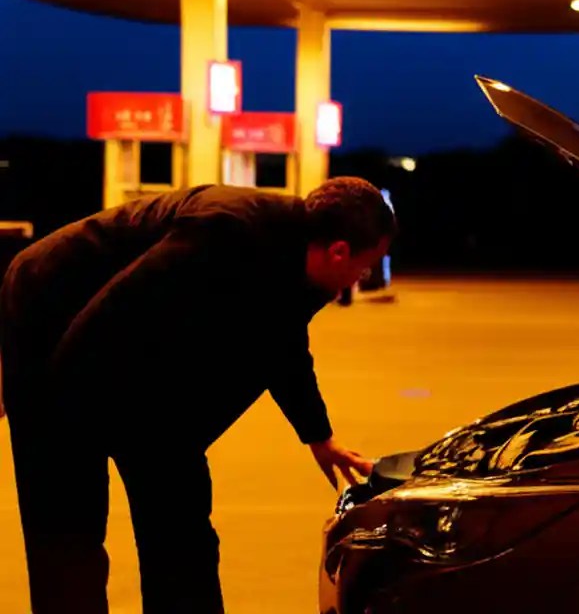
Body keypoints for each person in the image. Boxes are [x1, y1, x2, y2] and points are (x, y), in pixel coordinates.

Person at [0, 176, 396, 613]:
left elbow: (283, 347)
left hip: (141, 354)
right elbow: (104, 324)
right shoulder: (224, 233)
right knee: (68, 515)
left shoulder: (302, 270)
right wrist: (42, 408)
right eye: (363, 269)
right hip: (51, 308)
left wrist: (318, 436)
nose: (356, 282)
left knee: (179, 522)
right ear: (338, 250)